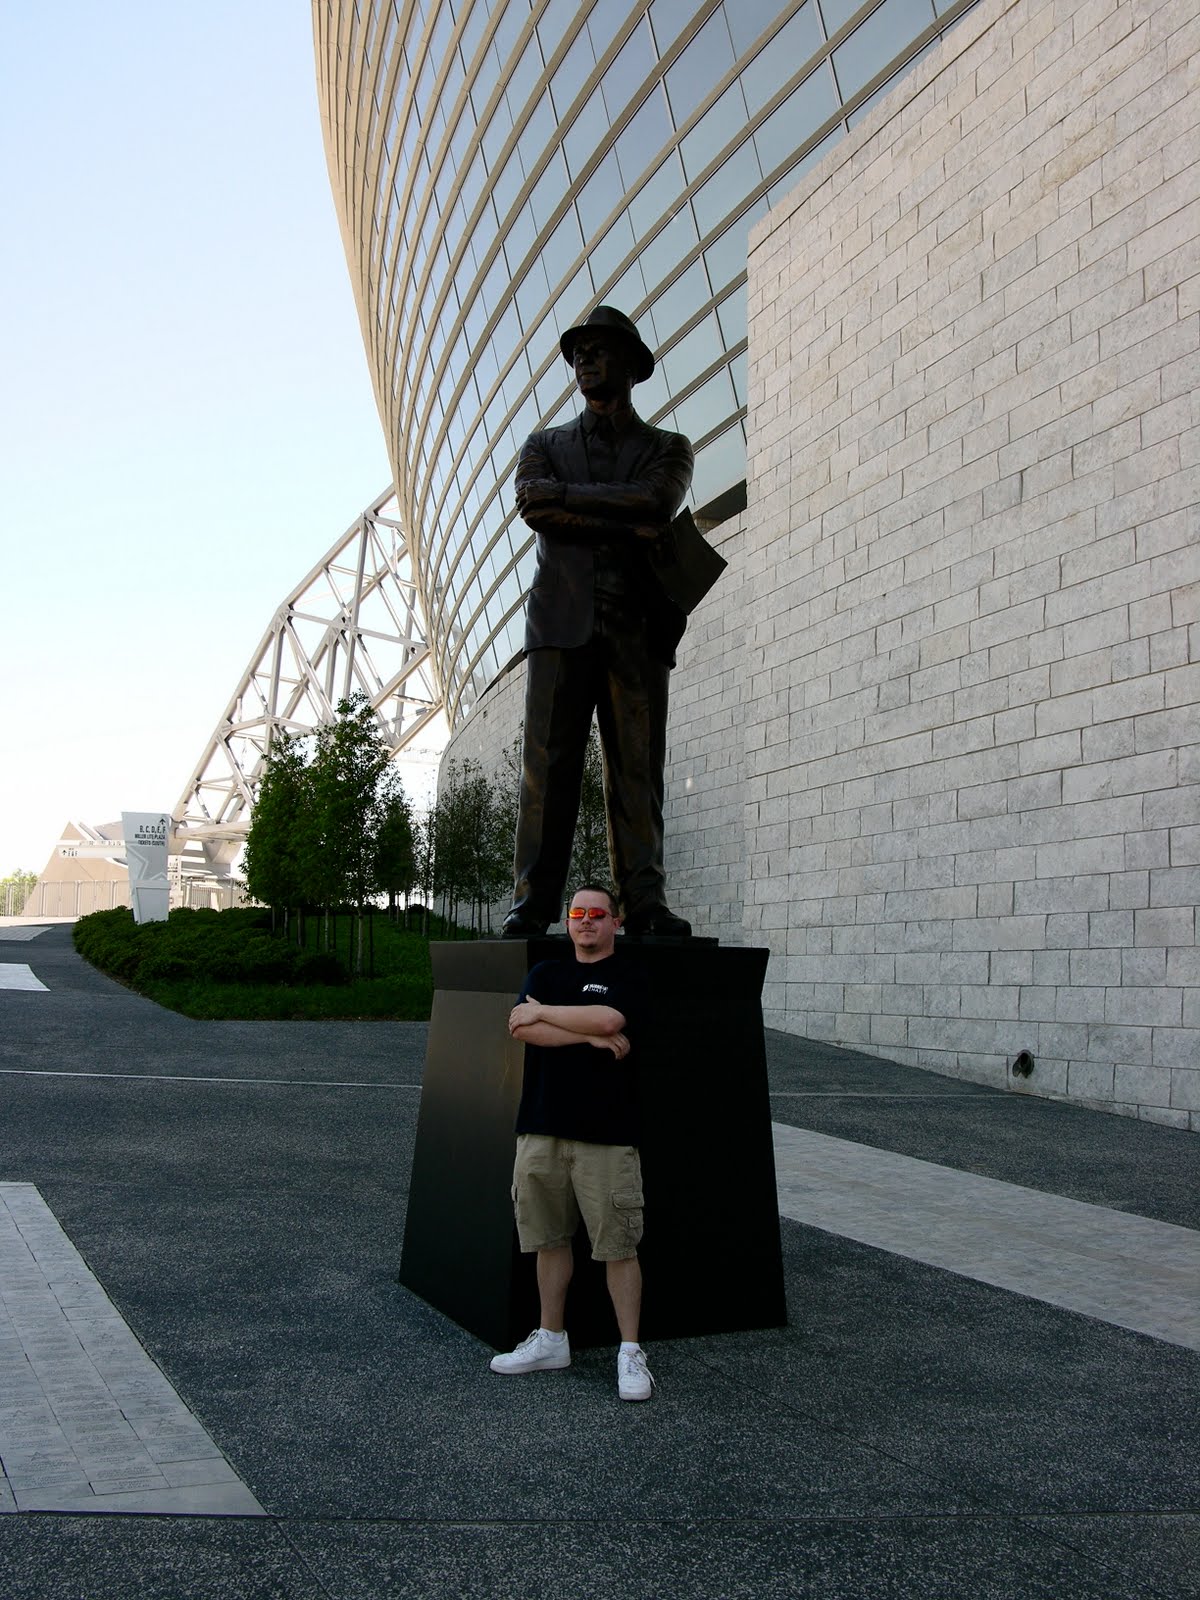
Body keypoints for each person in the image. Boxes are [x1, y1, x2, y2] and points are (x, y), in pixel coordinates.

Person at [500, 305, 694, 941]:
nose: (585, 359)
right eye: (579, 351)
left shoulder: (667, 448)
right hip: (559, 625)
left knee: (638, 770)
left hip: (636, 625)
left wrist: (570, 500)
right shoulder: (543, 446)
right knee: (546, 770)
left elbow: (655, 501)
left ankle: (645, 904)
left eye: (600, 349)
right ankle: (532, 906)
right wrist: (621, 520)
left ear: (633, 367)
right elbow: (536, 508)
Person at [490, 883, 654, 1401]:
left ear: (615, 922)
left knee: (617, 1246)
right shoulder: (546, 973)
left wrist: (551, 1013)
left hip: (606, 1135)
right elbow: (521, 1026)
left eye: (597, 914)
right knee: (548, 1240)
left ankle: (629, 1352)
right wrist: (586, 1035)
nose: (586, 922)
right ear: (568, 920)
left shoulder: (629, 974)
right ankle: (551, 1339)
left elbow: (610, 1019)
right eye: (578, 913)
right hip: (541, 1128)